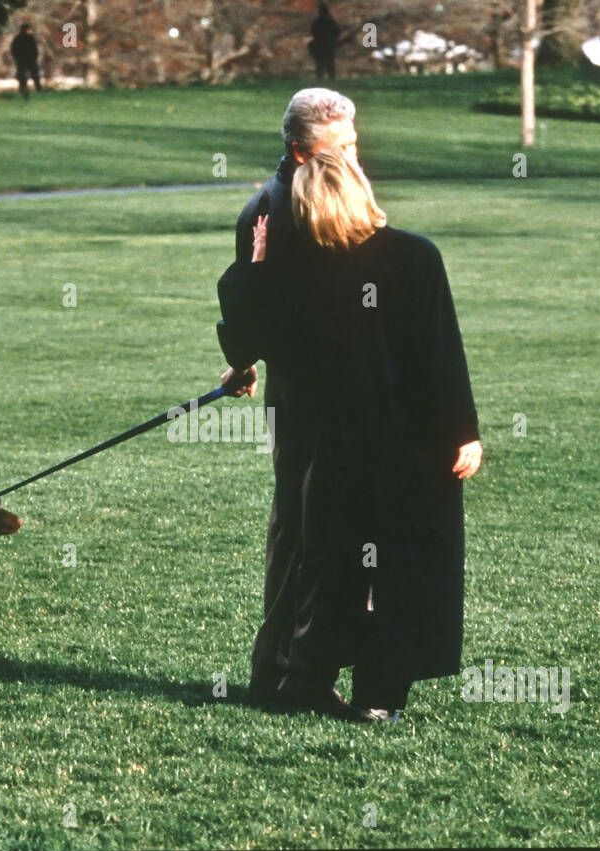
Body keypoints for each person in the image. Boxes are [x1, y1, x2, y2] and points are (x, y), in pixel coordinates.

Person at [216, 148, 482, 722]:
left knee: (336, 568)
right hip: (406, 446)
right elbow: (442, 355)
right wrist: (463, 432)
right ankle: (374, 692)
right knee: (392, 571)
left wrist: (254, 272)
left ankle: (321, 681)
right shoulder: (412, 255)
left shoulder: (315, 270)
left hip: (344, 447)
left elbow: (248, 345)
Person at [219, 89, 361, 709]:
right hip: (313, 394)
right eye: (341, 147)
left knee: (307, 529)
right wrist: (245, 356)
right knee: (307, 531)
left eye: (355, 142)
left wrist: (242, 358)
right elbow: (258, 301)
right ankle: (288, 675)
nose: (354, 157)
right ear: (302, 151)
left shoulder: (291, 197)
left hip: (320, 388)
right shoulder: (278, 209)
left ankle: (286, 670)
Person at [309, 3, 342, 81]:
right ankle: (331, 78)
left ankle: (320, 78)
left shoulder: (317, 21)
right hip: (329, 44)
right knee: (329, 63)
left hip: (320, 44)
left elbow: (313, 31)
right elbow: (337, 31)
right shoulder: (330, 21)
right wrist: (332, 39)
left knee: (320, 63)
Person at [11, 24, 41, 101]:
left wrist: (17, 58)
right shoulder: (24, 38)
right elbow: (14, 50)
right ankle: (28, 88)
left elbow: (34, 49)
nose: (30, 31)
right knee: (28, 75)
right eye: (29, 29)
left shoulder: (23, 38)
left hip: (26, 60)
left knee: (29, 74)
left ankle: (32, 87)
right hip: (25, 60)